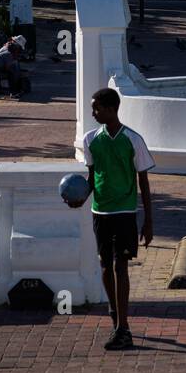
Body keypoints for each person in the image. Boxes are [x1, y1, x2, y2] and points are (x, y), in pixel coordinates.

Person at [68, 88, 154, 351]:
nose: (93, 113)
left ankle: (124, 329)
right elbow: (93, 178)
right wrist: (81, 198)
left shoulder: (133, 139)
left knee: (121, 267)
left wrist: (148, 221)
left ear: (110, 108)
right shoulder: (90, 139)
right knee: (105, 266)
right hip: (100, 212)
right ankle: (116, 316)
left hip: (125, 212)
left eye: (96, 108)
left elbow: (144, 180)